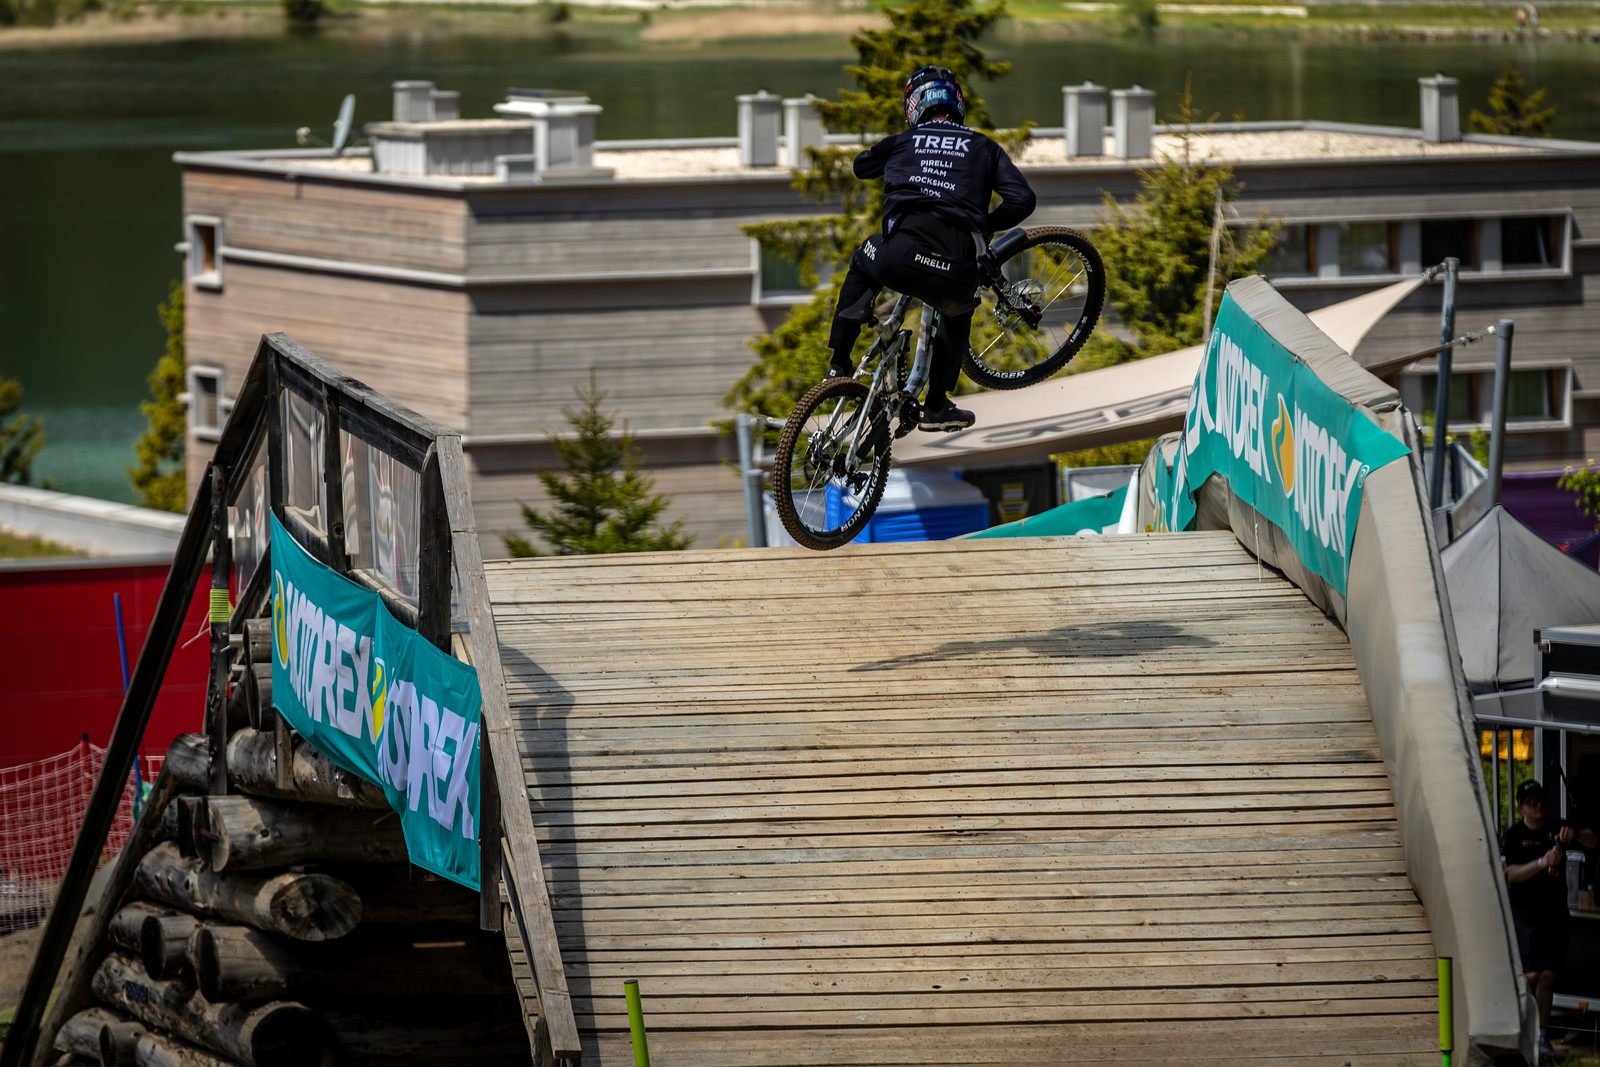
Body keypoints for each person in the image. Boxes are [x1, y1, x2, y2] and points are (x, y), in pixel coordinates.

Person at [826, 65, 1037, 432]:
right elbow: (1023, 200)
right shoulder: (984, 146)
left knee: (864, 258)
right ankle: (936, 406)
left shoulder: (902, 142)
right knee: (958, 308)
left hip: (900, 258)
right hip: (955, 270)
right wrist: (983, 222)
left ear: (913, 106)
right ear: (956, 102)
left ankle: (839, 362)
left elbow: (861, 166)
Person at [1501, 779, 1597, 1060]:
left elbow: (1593, 839)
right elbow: (1508, 874)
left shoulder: (1557, 827)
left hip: (1555, 913)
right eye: (1532, 802)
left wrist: (1574, 834)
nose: (1539, 805)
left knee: (1549, 977)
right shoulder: (1514, 835)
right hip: (1525, 914)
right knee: (1530, 975)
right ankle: (1521, 1031)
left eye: (1542, 799)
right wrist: (1541, 863)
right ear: (1521, 808)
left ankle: (1541, 1035)